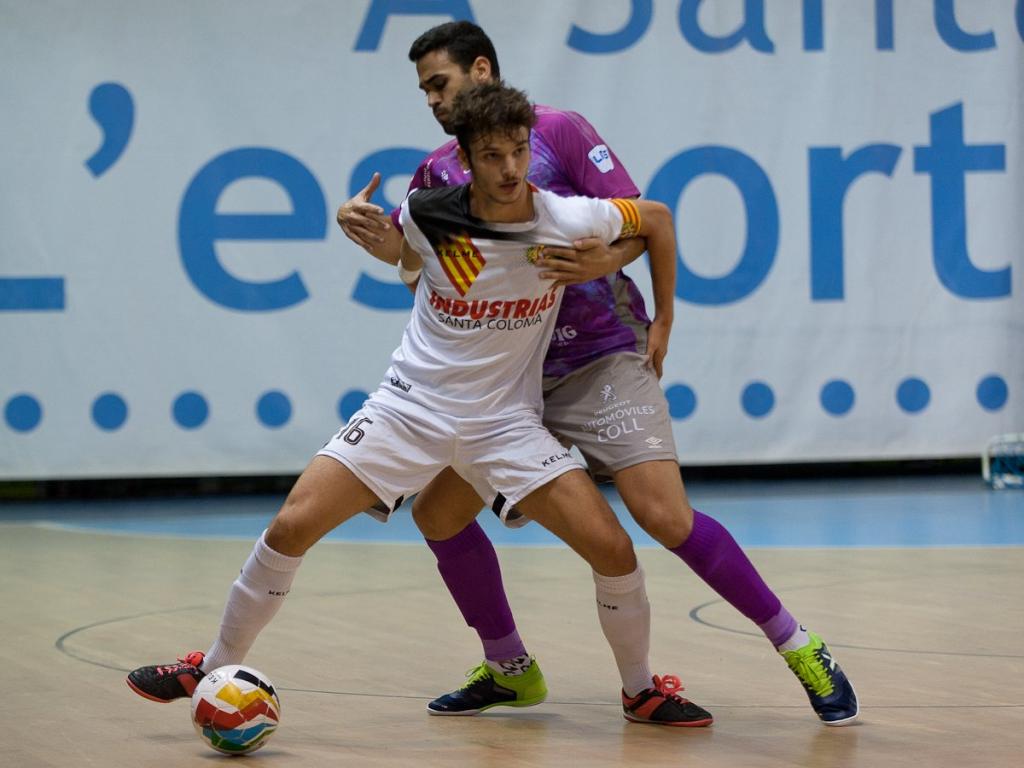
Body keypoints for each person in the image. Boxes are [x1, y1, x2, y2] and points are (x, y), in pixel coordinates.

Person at [126, 82, 713, 728]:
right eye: (492, 156)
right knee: (291, 525)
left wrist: (651, 307)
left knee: (614, 550)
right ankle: (212, 667)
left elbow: (654, 218)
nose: (511, 169)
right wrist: (360, 224)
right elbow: (403, 252)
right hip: (409, 408)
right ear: (465, 158)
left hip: (505, 424)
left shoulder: (567, 217)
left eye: (519, 151)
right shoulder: (428, 211)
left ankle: (639, 690)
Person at [336, 21, 858, 726]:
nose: (430, 99)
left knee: (662, 515)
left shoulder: (559, 132)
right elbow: (431, 278)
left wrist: (644, 302)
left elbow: (644, 224)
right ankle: (509, 667)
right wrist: (387, 247)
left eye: (439, 83)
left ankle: (799, 646)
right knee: (436, 515)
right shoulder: (434, 175)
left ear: (481, 70)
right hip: (507, 384)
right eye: (424, 89)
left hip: (598, 354)